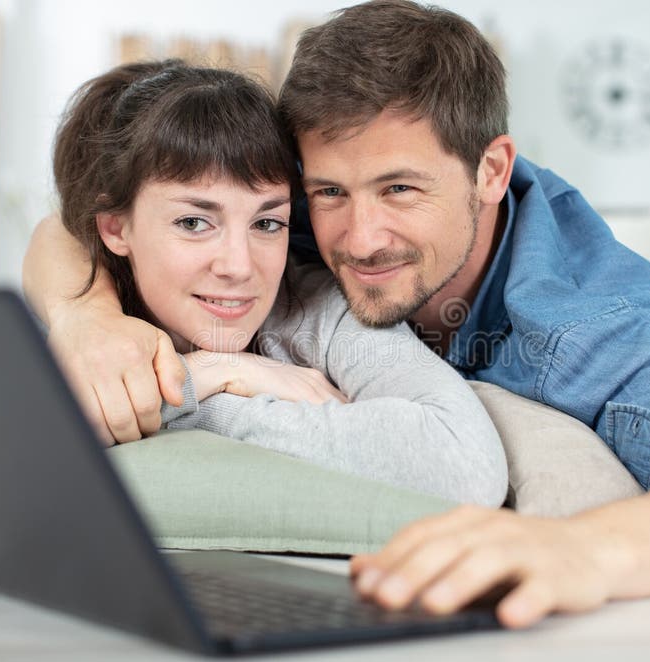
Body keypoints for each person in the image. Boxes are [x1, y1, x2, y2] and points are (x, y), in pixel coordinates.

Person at [24, 1, 650, 630]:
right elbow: (74, 225)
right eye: (329, 193)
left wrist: (580, 553)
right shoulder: (291, 216)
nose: (360, 239)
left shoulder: (578, 317)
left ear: (490, 170)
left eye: (401, 190)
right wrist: (87, 319)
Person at [42, 58, 509, 507]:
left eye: (267, 224)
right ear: (114, 229)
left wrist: (194, 393)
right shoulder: (81, 327)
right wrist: (215, 374)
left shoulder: (317, 307)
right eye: (193, 222)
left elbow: (463, 464)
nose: (239, 267)